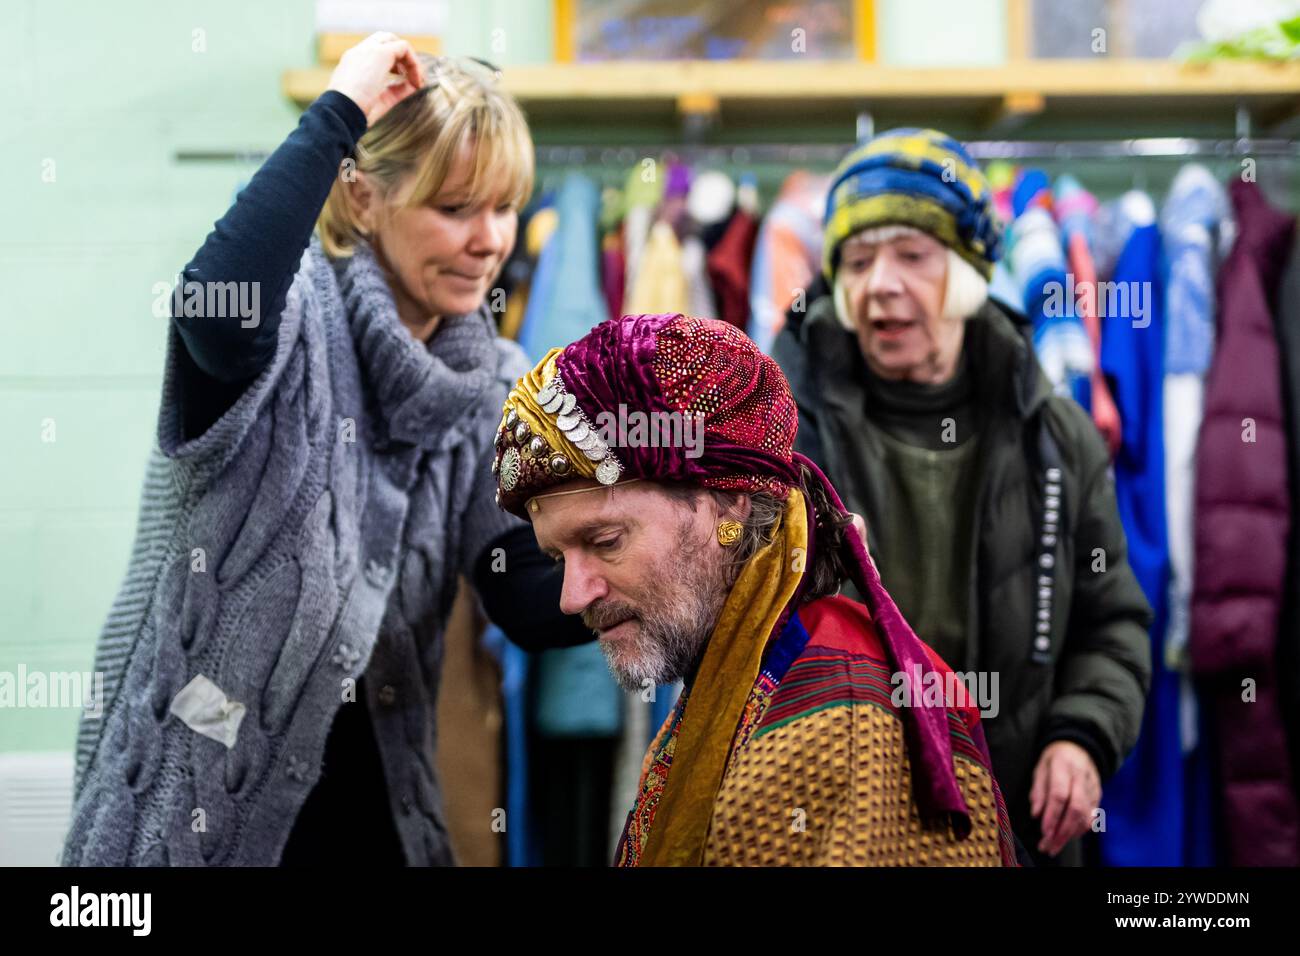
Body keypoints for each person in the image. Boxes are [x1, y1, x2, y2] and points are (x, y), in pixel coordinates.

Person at [63, 33, 591, 867]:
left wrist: (657, 555)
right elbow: (212, 309)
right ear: (366, 200)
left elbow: (520, 589)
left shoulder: (492, 379)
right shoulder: (293, 314)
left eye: (504, 207)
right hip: (192, 818)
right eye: (454, 210)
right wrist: (338, 110)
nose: (490, 239)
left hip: (375, 821)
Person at [492, 313, 1021, 866]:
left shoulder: (837, 735)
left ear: (728, 504)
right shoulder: (743, 668)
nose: (571, 597)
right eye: (558, 558)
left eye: (604, 541)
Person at [771, 128, 1152, 865]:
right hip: (830, 832)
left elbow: (1114, 624)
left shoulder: (1056, 432)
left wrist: (1081, 737)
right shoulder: (779, 430)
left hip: (1017, 831)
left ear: (971, 269)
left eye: (912, 255)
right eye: (857, 259)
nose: (881, 282)